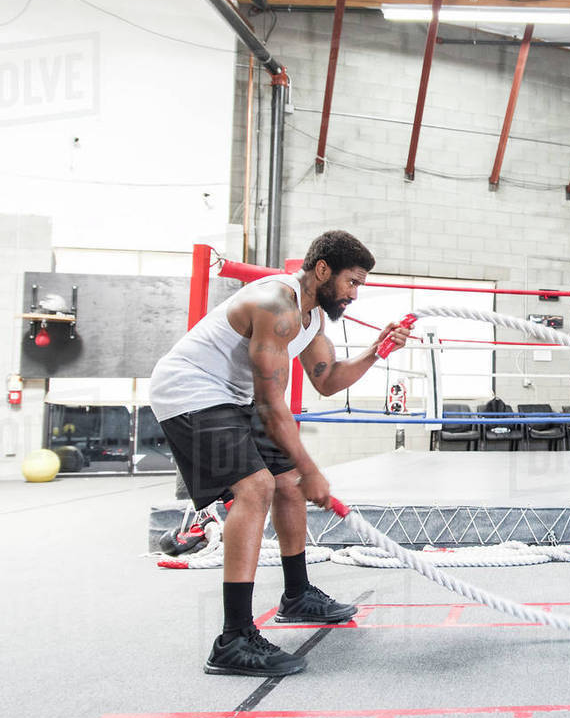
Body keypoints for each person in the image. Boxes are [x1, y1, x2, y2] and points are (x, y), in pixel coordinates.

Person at [150, 230, 411, 677]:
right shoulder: (277, 304)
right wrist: (312, 470)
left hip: (229, 396)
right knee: (257, 488)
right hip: (189, 390)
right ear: (323, 270)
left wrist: (375, 351)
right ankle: (233, 638)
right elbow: (271, 404)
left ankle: (297, 595)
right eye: (352, 282)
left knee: (287, 483)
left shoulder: (311, 319)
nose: (354, 294)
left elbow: (326, 381)